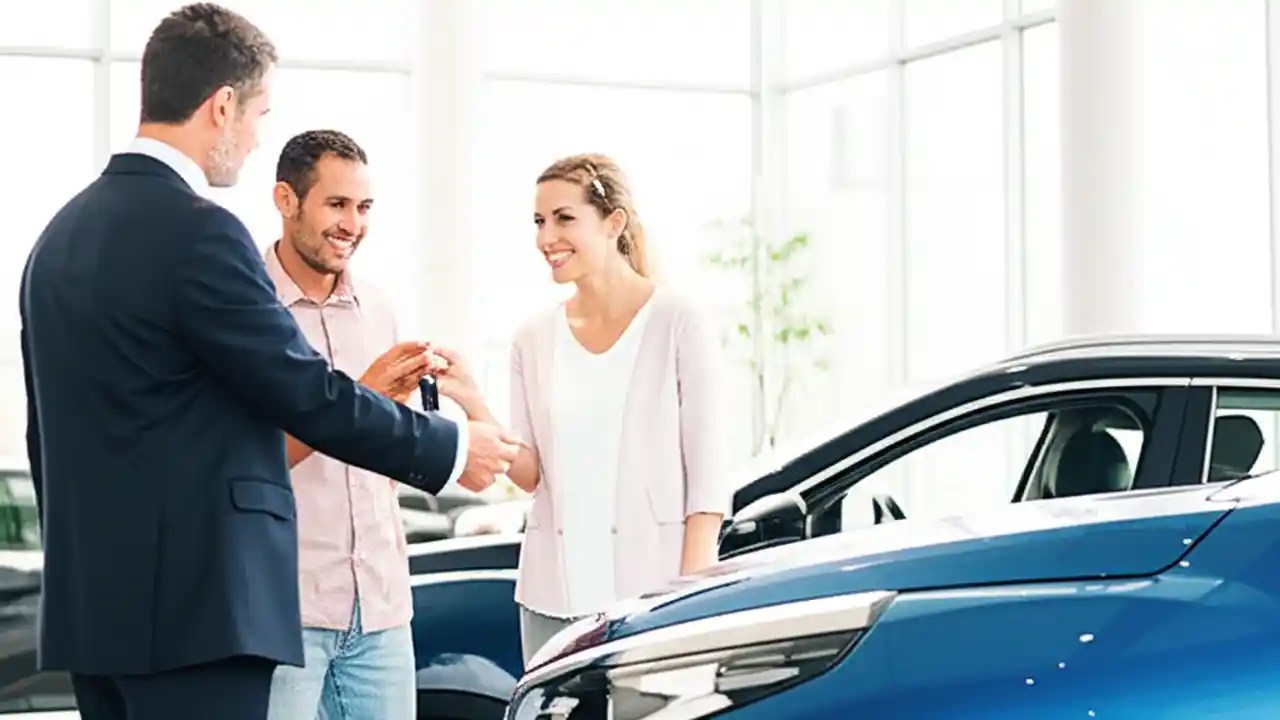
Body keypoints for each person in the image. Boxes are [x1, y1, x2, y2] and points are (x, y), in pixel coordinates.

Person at [17, 5, 518, 719]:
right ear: (221, 105)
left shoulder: (56, 241)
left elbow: (50, 439)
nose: (254, 141)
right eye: (257, 116)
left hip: (93, 617)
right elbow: (305, 391)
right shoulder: (199, 232)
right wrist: (451, 446)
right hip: (195, 619)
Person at [431, 153, 730, 665]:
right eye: (539, 221)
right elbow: (530, 475)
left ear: (614, 222)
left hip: (654, 598)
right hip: (552, 604)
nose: (547, 237)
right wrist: (472, 400)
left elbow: (707, 483)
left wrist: (691, 596)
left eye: (564, 218)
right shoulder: (532, 337)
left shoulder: (677, 322)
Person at [261, 129, 423, 719]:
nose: (352, 224)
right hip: (287, 612)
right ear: (286, 200)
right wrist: (363, 398)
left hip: (380, 612)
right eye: (336, 204)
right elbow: (246, 455)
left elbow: (386, 449)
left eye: (364, 207)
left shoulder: (378, 308)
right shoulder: (245, 307)